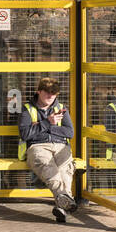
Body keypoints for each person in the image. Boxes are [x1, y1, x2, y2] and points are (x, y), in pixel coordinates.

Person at [18, 76, 78, 223]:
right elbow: (26, 134)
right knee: (48, 167)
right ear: (39, 92)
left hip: (61, 146)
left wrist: (45, 127)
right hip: (37, 146)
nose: (51, 96)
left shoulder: (61, 109)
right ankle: (64, 201)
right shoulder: (27, 109)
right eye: (47, 92)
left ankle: (62, 207)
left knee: (65, 171)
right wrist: (48, 122)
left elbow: (69, 132)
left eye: (54, 93)